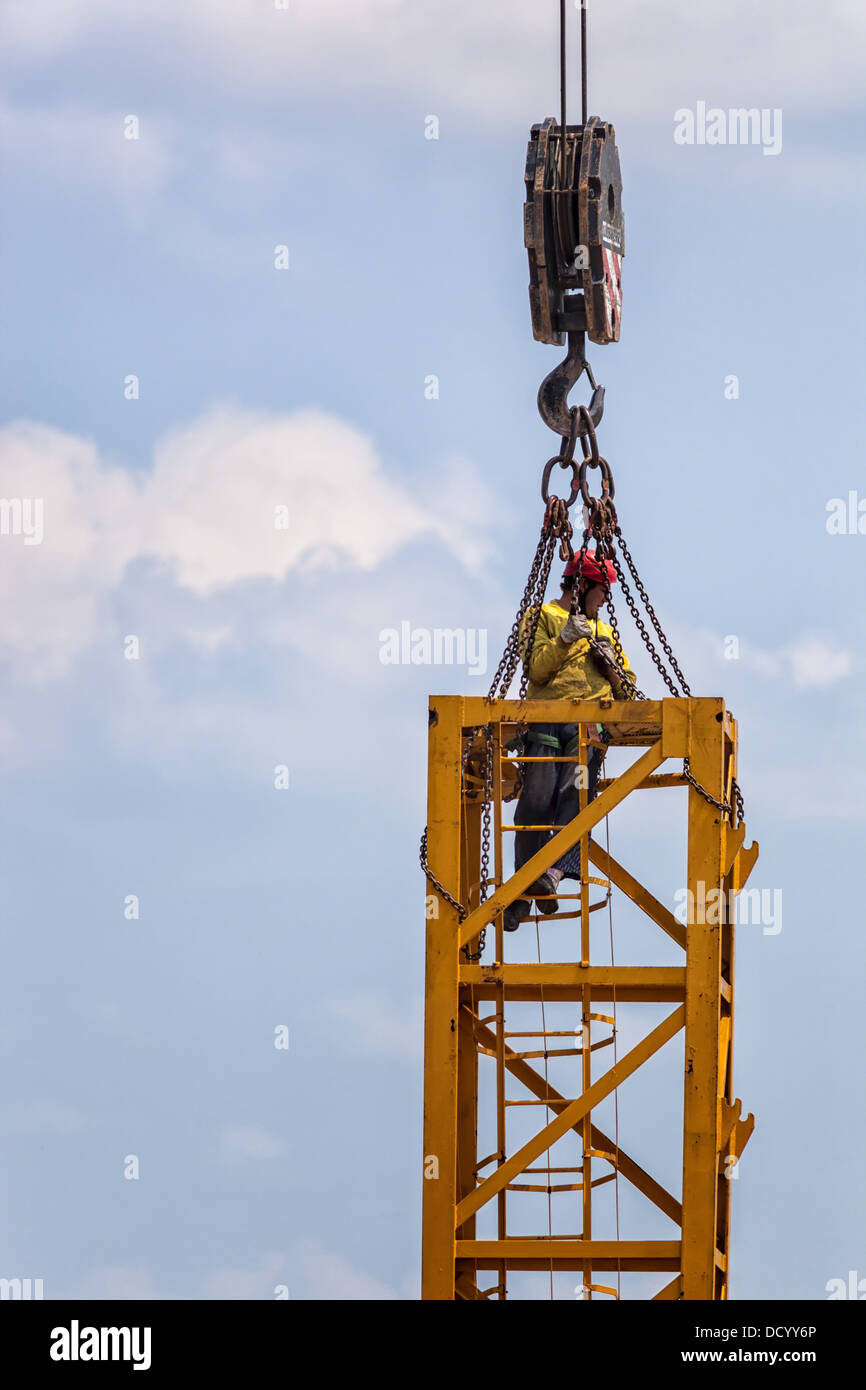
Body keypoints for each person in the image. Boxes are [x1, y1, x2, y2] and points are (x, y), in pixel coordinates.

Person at [504, 549, 635, 932]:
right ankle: (523, 893)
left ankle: (554, 874)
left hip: (587, 728)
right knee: (534, 806)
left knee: (574, 799)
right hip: (547, 722)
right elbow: (536, 670)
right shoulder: (543, 617)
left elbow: (628, 693)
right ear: (582, 586)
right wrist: (563, 639)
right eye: (603, 590)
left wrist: (612, 669)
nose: (606, 598)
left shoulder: (605, 632)